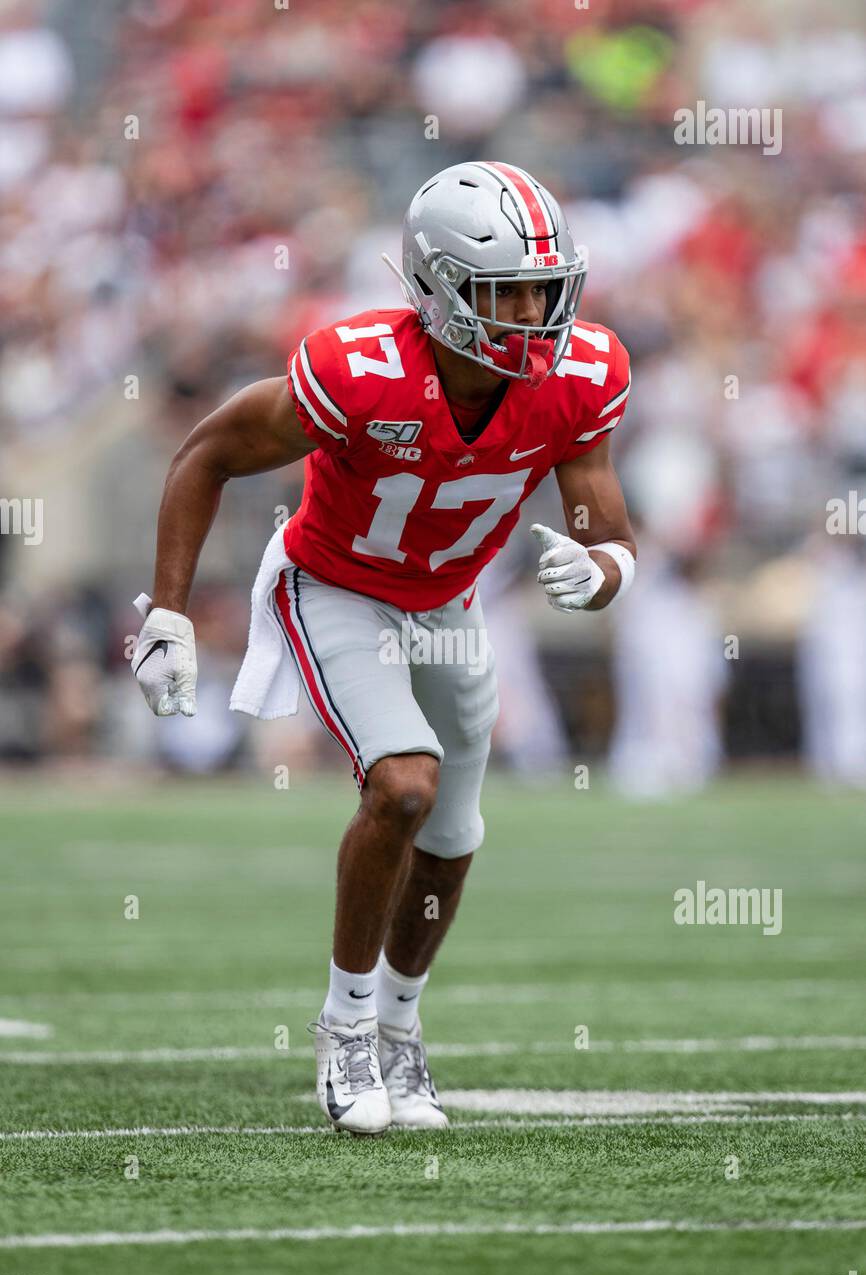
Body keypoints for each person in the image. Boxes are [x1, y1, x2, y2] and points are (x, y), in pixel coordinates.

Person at [131, 161, 636, 1134]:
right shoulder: (358, 368)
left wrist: (604, 571)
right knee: (402, 786)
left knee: (449, 837)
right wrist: (168, 610)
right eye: (504, 290)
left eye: (544, 285)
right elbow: (207, 452)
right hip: (337, 584)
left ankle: (401, 1029)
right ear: (438, 290)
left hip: (447, 599)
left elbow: (605, 526)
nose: (533, 310)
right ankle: (346, 1025)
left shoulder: (581, 374)